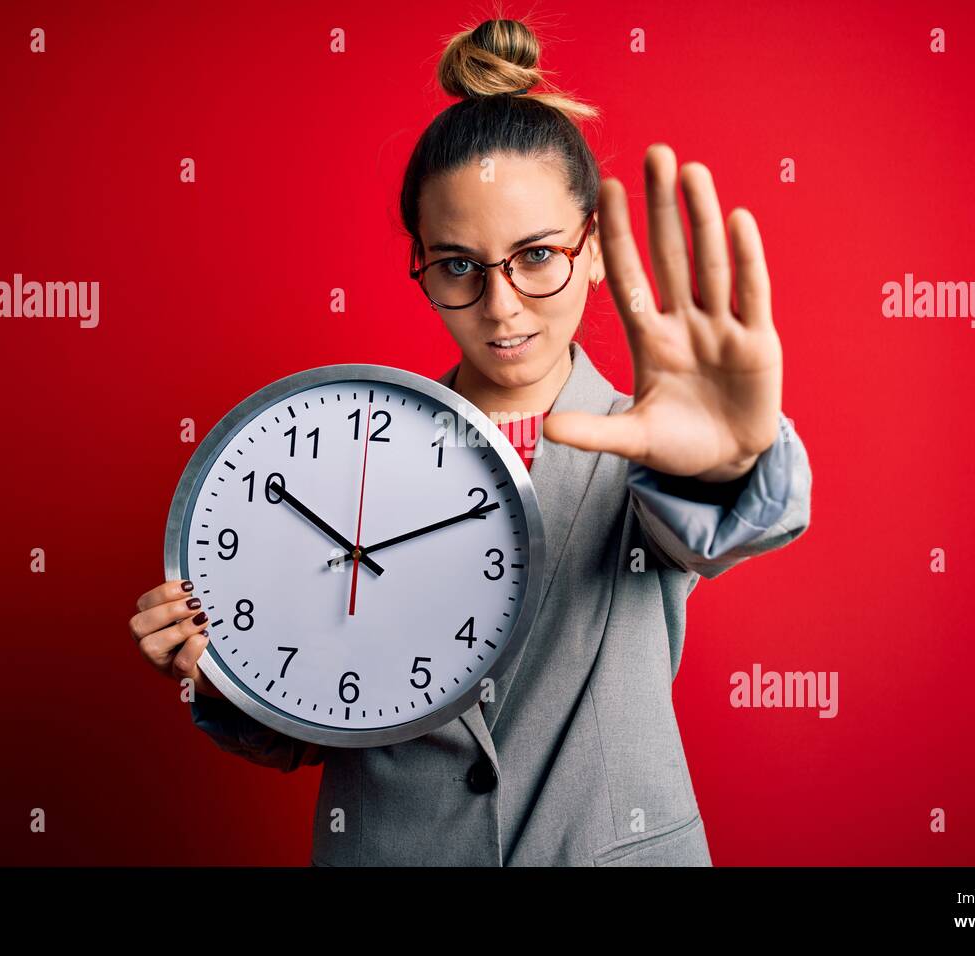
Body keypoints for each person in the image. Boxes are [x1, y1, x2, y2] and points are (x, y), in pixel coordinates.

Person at [129, 17, 812, 866]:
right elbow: (314, 711)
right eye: (458, 264)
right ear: (420, 262)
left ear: (593, 251)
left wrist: (732, 458)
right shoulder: (342, 458)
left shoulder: (650, 447)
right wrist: (215, 670)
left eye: (535, 255)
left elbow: (725, 521)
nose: (502, 304)